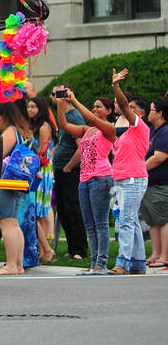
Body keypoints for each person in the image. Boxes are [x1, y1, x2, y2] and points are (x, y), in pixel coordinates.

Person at [56, 90, 117, 274]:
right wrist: (60, 105)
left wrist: (74, 100)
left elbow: (93, 119)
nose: (95, 109)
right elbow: (64, 125)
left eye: (99, 107)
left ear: (109, 110)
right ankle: (94, 263)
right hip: (85, 179)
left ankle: (101, 263)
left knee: (100, 223)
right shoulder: (87, 131)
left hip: (101, 178)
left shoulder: (108, 129)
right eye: (94, 106)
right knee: (89, 224)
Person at [104, 70, 149, 274]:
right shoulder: (123, 133)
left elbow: (121, 105)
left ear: (140, 114)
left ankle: (122, 263)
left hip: (133, 179)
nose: (126, 109)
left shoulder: (140, 127)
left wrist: (116, 86)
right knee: (131, 220)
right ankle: (139, 264)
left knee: (127, 220)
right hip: (121, 178)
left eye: (132, 109)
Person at [0, 100, 33, 275]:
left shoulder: (10, 132)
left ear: (3, 115)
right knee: (14, 223)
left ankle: (11, 265)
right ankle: (18, 265)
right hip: (18, 182)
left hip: (5, 181)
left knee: (6, 223)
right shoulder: (22, 132)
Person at [47, 89, 89, 260]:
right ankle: (72, 248)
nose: (54, 97)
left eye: (58, 94)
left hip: (70, 171)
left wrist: (70, 166)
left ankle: (80, 249)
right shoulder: (64, 116)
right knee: (63, 210)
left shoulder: (75, 116)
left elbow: (82, 146)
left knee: (72, 208)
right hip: (60, 168)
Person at [24, 96, 55, 264]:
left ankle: (46, 249)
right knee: (38, 213)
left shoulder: (44, 127)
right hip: (38, 169)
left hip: (41, 171)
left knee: (37, 211)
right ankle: (44, 250)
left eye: (33, 107)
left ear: (41, 108)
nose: (30, 110)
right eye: (29, 106)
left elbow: (43, 154)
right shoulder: (34, 126)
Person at [142, 98, 168, 268]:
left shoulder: (165, 132)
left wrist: (139, 170)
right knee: (153, 220)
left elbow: (159, 157)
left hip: (161, 184)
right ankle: (156, 253)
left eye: (152, 110)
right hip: (150, 183)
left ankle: (165, 256)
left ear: (160, 113)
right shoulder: (153, 130)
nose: (149, 113)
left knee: (164, 219)